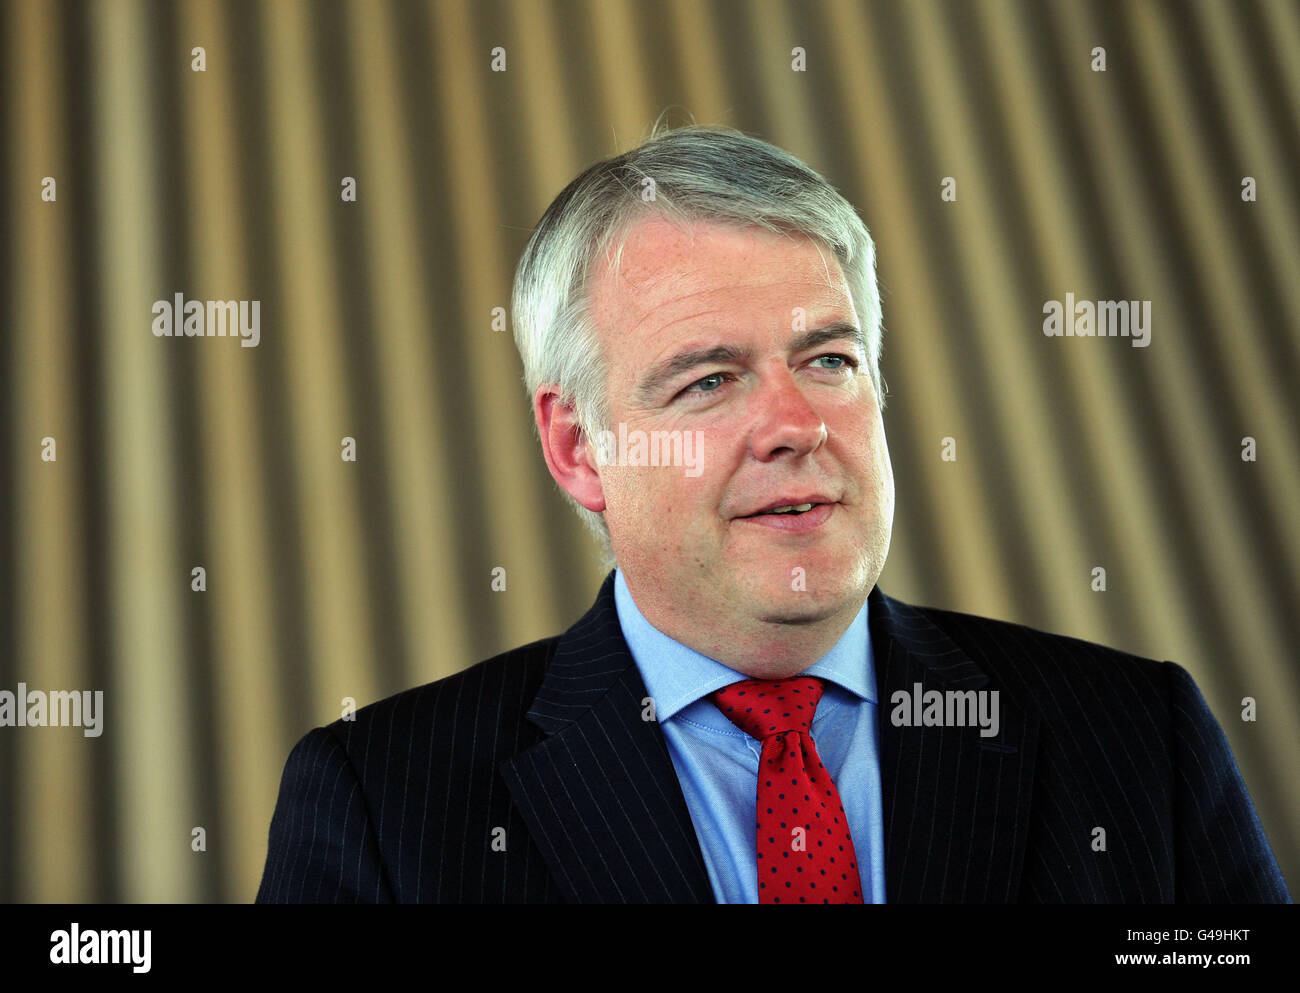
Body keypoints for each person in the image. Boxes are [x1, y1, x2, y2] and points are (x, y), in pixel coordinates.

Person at [256, 124, 1290, 904]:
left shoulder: (1136, 738)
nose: (794, 424)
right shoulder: (384, 807)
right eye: (708, 381)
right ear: (579, 448)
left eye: (828, 361)